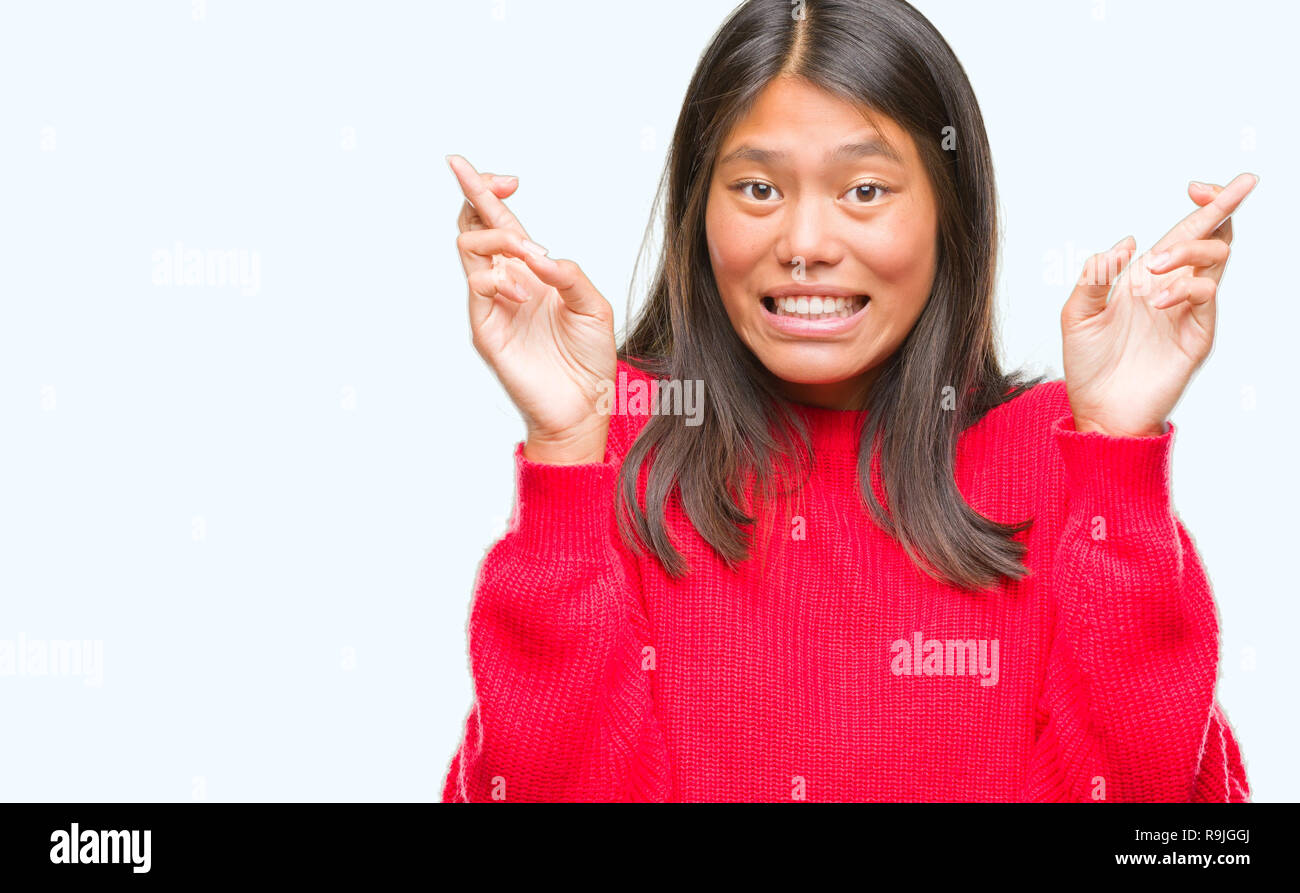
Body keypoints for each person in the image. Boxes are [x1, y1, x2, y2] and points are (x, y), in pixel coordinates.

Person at [441, 0, 1255, 802]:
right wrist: (562, 454)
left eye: (864, 191)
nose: (804, 246)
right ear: (700, 213)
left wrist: (1118, 455)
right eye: (757, 189)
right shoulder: (609, 443)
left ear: (949, 213)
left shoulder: (1061, 453)